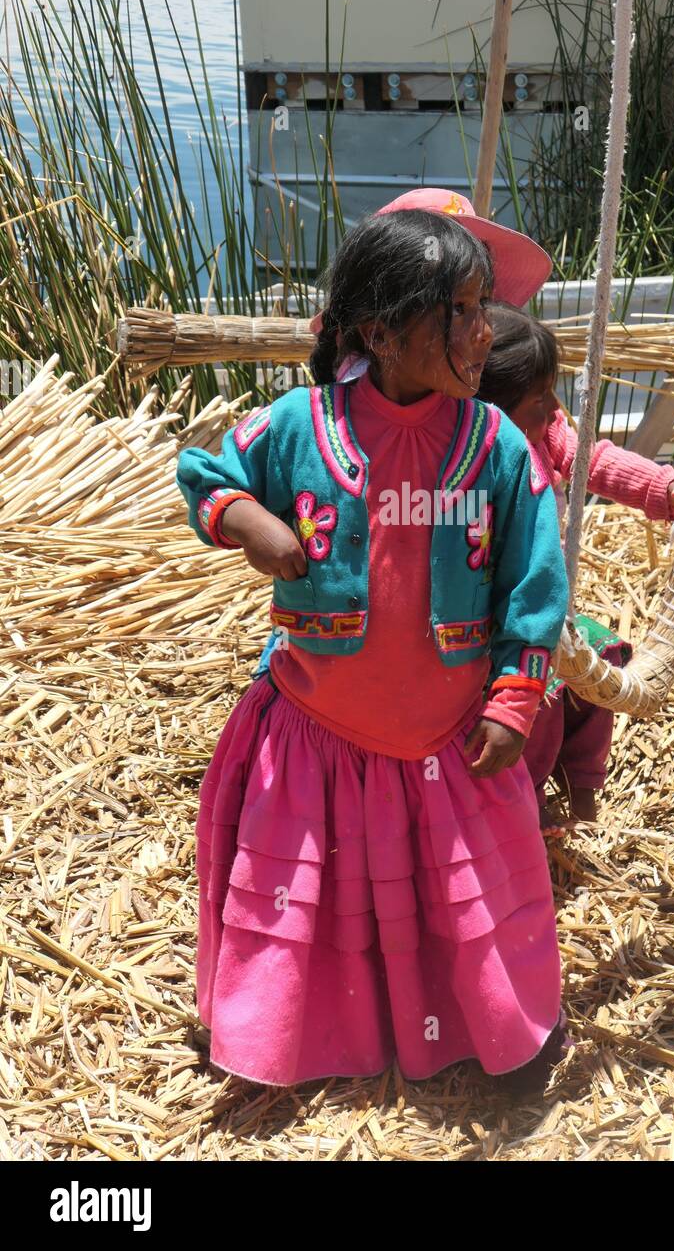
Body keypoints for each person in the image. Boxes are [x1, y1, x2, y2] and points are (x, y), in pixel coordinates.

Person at [175, 188, 573, 1095]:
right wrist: (244, 518)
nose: (485, 334)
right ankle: (295, 1038)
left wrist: (516, 697)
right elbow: (202, 469)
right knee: (318, 903)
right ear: (381, 331)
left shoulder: (496, 448)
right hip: (321, 734)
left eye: (483, 310)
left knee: (456, 903)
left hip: (451, 739)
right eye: (460, 313)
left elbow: (535, 582)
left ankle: (487, 1029)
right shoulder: (295, 427)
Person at [475, 302, 674, 835]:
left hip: (545, 608)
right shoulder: (468, 460)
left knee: (602, 654)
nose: (555, 407)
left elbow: (597, 460)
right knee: (537, 686)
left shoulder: (545, 434)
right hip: (495, 621)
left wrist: (667, 489)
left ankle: (583, 788)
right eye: (541, 397)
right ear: (494, 408)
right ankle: (525, 793)